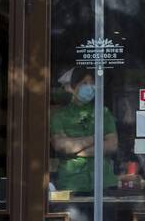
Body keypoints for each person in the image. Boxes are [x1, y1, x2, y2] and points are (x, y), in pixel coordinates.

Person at [50, 67, 118, 196]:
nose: (90, 87)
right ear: (73, 87)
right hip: (72, 183)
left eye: (92, 83)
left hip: (103, 181)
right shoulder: (59, 115)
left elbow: (112, 145)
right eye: (84, 83)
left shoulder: (103, 112)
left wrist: (74, 151)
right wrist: (96, 138)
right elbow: (61, 146)